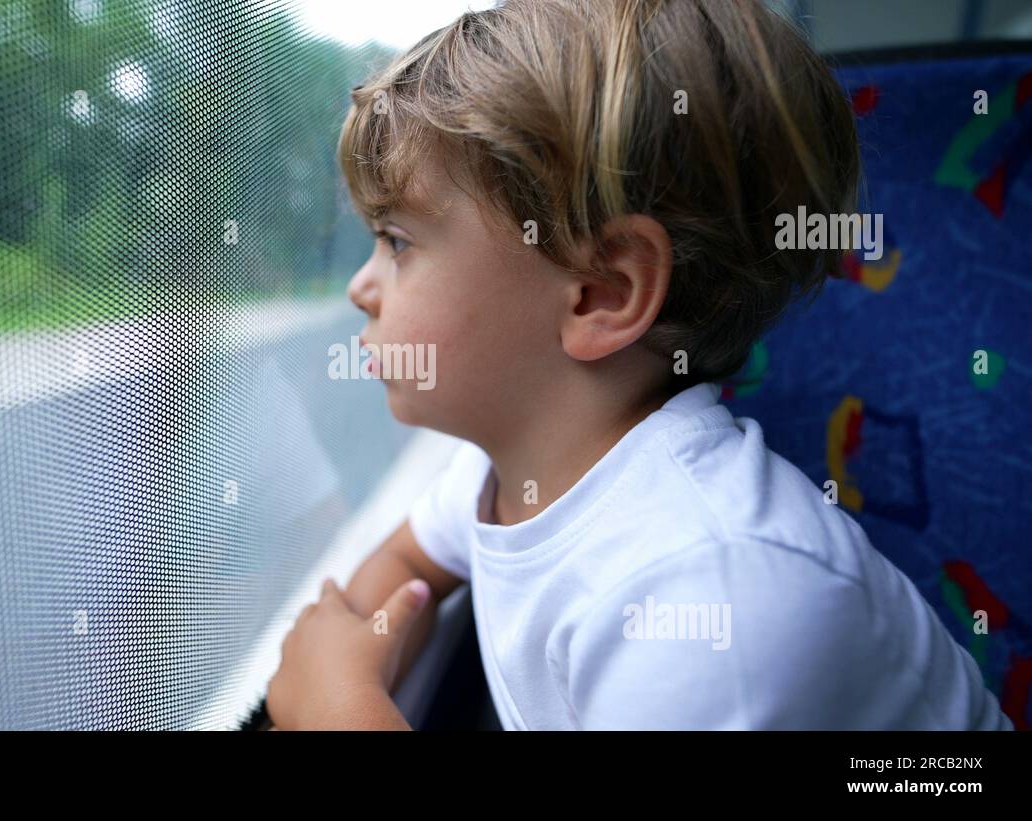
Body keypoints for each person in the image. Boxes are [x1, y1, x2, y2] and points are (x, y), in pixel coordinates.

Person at [265, 0, 1013, 730]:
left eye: (397, 242)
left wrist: (341, 708)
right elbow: (404, 561)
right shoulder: (510, 473)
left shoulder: (719, 601)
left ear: (601, 294)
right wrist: (351, 649)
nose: (360, 287)